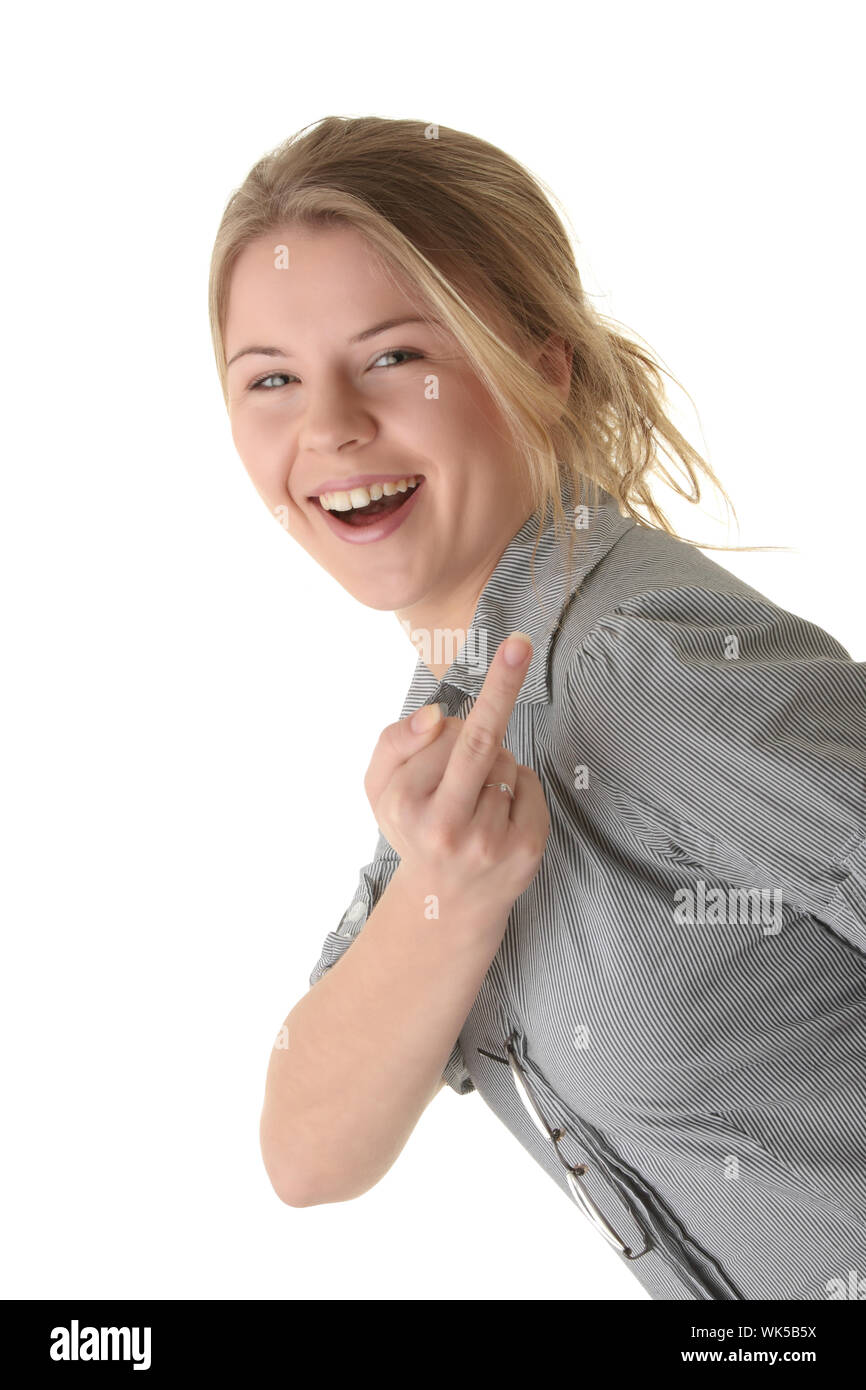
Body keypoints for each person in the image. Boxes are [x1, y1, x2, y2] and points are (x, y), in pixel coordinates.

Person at [209, 116, 866, 1300]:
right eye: (271, 379)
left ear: (539, 362)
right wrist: (445, 898)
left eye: (394, 355)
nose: (327, 427)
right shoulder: (466, 702)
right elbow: (306, 1150)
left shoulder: (633, 666)